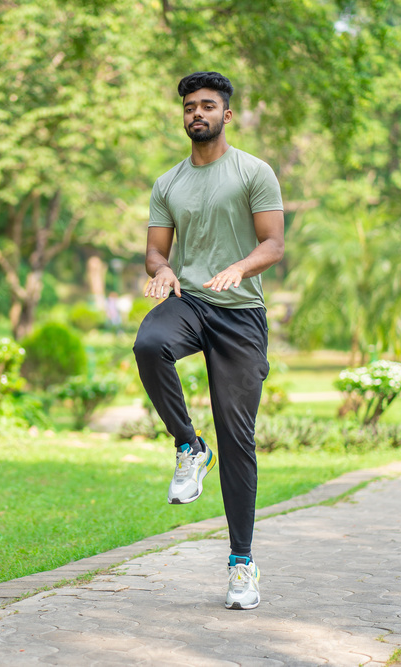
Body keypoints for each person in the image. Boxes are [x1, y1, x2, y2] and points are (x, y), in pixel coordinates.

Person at [133, 71, 284, 610]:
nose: (197, 113)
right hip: (192, 302)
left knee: (238, 438)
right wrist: (163, 271)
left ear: (226, 113)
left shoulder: (253, 172)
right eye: (190, 106)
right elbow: (154, 251)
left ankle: (242, 564)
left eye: (207, 105)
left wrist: (241, 268)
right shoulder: (168, 182)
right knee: (149, 344)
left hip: (240, 313)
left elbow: (273, 242)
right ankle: (188, 446)